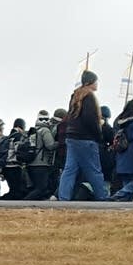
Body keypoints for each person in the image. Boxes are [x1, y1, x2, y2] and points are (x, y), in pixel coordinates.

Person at [54, 70, 108, 201]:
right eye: (96, 81)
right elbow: (90, 120)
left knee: (70, 169)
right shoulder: (89, 97)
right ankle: (102, 197)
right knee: (94, 170)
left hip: (72, 138)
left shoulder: (75, 96)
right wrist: (99, 136)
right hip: (86, 139)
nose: (97, 84)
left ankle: (63, 197)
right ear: (90, 82)